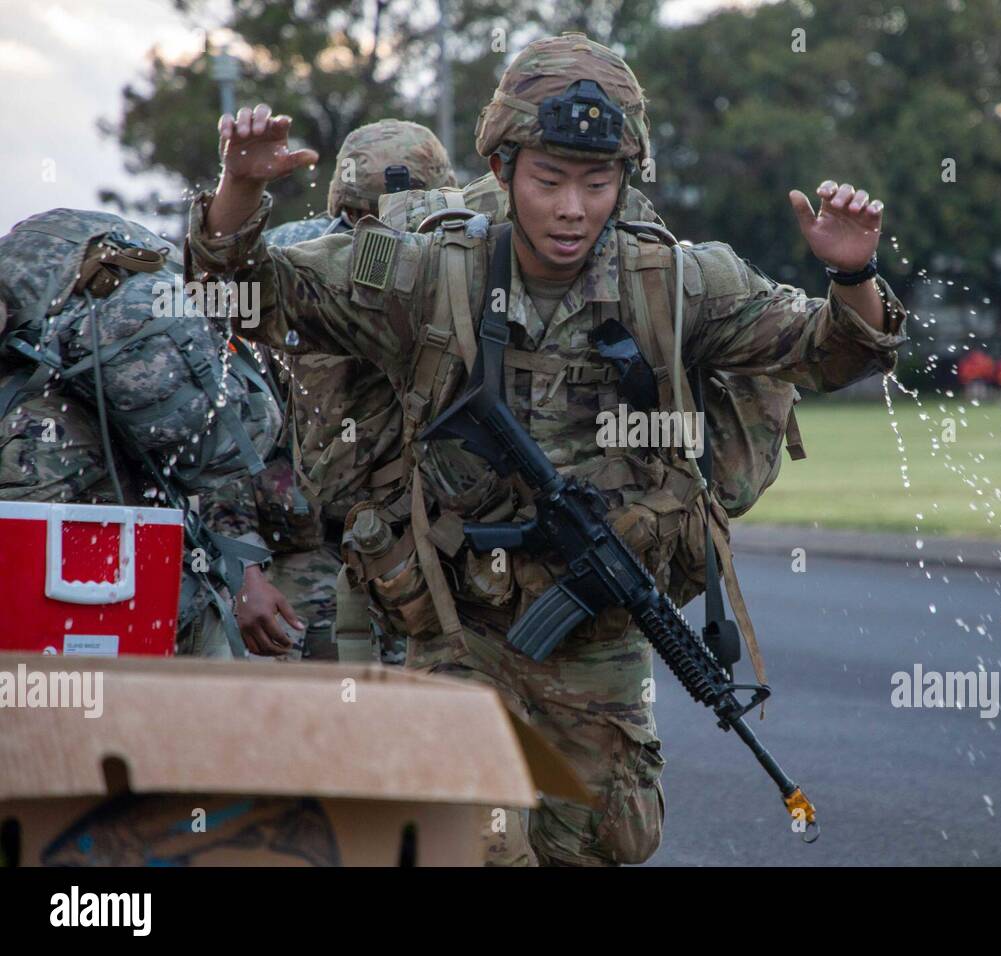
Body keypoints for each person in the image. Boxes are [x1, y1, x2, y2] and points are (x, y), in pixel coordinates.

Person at [187, 33, 907, 865]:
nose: (573, 209)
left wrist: (853, 275)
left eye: (597, 184)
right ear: (501, 170)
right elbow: (240, 295)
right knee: (481, 846)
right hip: (457, 628)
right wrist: (238, 190)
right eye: (550, 181)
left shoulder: (677, 282)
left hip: (601, 633)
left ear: (625, 180)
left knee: (611, 843)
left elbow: (825, 352)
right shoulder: (426, 273)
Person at [201, 119, 457, 660]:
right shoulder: (290, 272)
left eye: (403, 224)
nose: (382, 247)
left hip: (437, 549)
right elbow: (225, 425)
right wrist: (242, 565)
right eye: (363, 222)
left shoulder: (461, 273)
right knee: (309, 731)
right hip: (307, 554)